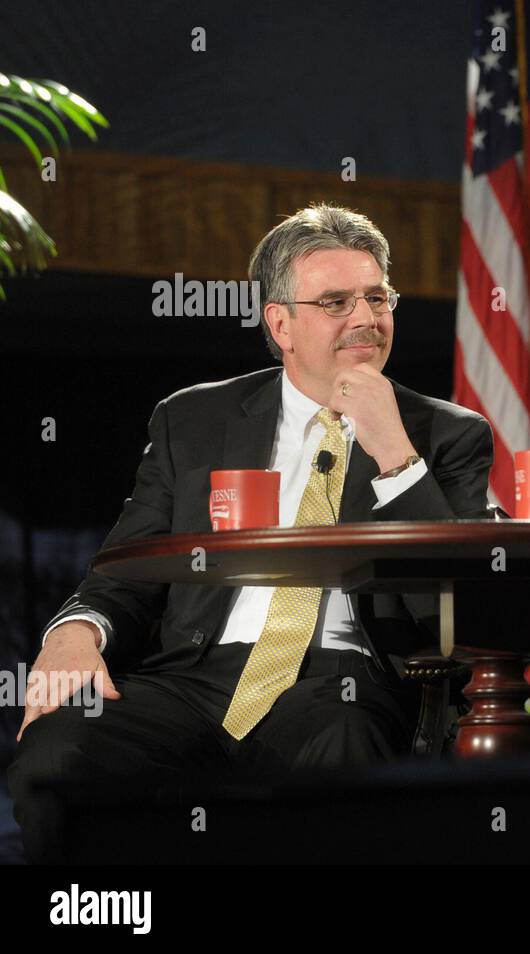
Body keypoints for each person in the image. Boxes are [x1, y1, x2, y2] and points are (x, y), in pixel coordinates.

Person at [8, 204, 494, 862]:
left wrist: (395, 455)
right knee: (57, 749)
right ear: (281, 323)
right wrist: (76, 629)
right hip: (194, 678)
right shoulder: (194, 419)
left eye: (377, 297)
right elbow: (125, 570)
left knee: (343, 746)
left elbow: (450, 608)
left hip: (341, 680)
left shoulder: (448, 434)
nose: (366, 318)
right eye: (335, 301)